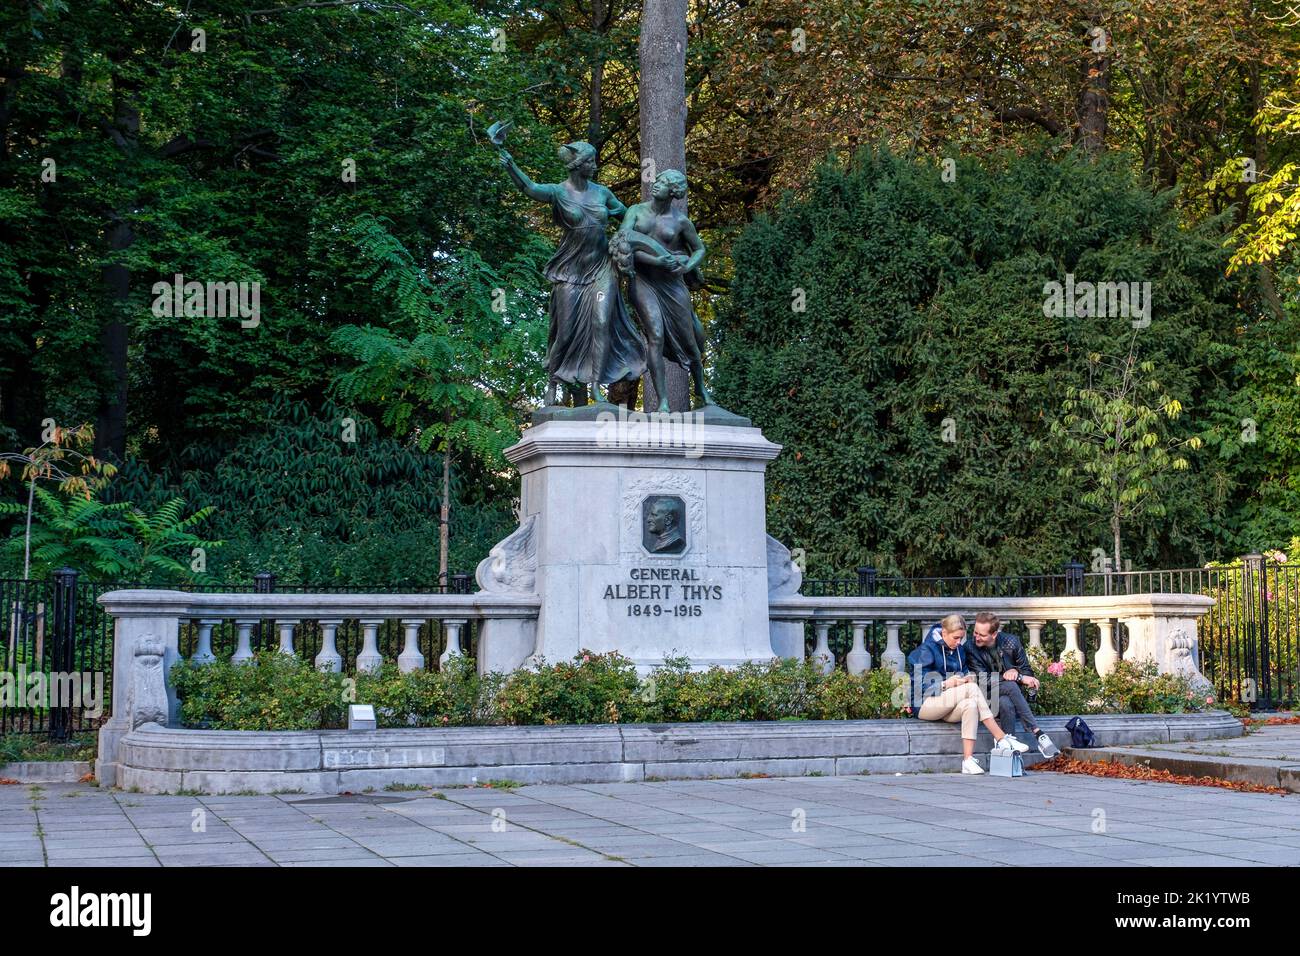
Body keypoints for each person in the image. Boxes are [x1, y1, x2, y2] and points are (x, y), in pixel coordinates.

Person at [498, 141, 645, 405]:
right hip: (570, 271)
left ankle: (596, 389)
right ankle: (553, 385)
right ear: (578, 165)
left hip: (602, 268)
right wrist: (510, 165)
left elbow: (629, 214)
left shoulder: (602, 193)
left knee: (601, 324)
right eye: (590, 162)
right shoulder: (558, 192)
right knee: (564, 333)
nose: (595, 166)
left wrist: (628, 224)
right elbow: (529, 188)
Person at [613, 169, 713, 412]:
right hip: (644, 282)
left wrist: (687, 265)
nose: (656, 185)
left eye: (664, 183)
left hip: (672, 285)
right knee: (655, 335)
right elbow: (623, 243)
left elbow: (699, 249)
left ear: (674, 191)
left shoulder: (680, 221)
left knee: (690, 340)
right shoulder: (635, 211)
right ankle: (663, 401)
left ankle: (700, 389)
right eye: (657, 181)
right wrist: (658, 261)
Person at [907, 613, 1030, 775]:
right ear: (944, 633)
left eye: (962, 638)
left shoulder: (958, 650)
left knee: (970, 704)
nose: (959, 643)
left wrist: (968, 677)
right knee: (971, 689)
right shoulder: (926, 650)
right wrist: (946, 683)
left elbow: (965, 672)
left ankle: (968, 760)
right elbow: (919, 688)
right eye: (956, 638)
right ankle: (1001, 738)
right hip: (924, 704)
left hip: (948, 703)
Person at [966, 612, 1059, 758]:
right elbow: (982, 680)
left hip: (1009, 697)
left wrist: (1016, 672)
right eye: (975, 632)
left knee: (1006, 702)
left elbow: (1028, 672)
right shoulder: (970, 647)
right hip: (985, 696)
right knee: (1010, 686)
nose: (976, 637)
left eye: (982, 635)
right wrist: (1016, 677)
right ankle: (1038, 733)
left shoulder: (1012, 642)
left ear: (994, 634)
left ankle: (1009, 753)